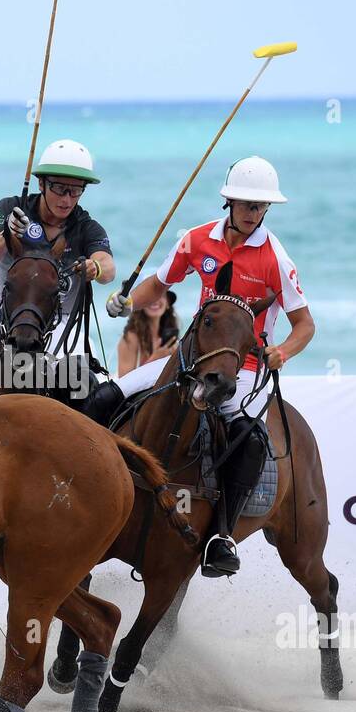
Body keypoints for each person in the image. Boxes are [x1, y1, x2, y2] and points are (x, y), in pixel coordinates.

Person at [93, 155, 315, 578]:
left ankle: (221, 536)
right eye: (247, 204)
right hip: (190, 357)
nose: (254, 214)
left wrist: (282, 351)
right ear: (228, 201)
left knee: (248, 437)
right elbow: (160, 284)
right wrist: (126, 302)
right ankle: (83, 490)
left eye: (261, 207)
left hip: (244, 368)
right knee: (108, 396)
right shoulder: (197, 240)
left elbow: (305, 324)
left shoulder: (275, 259)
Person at [0, 139, 115, 373]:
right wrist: (7, 233)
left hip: (60, 324)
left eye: (76, 191)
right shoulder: (11, 207)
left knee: (91, 381)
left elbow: (108, 267)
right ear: (41, 183)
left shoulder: (86, 226)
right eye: (60, 189)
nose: (67, 200)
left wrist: (96, 268)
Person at [118, 289, 179, 377]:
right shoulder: (131, 338)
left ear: (168, 303)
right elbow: (123, 385)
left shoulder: (170, 337)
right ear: (139, 303)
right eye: (149, 296)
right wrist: (155, 359)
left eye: (160, 295)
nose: (155, 300)